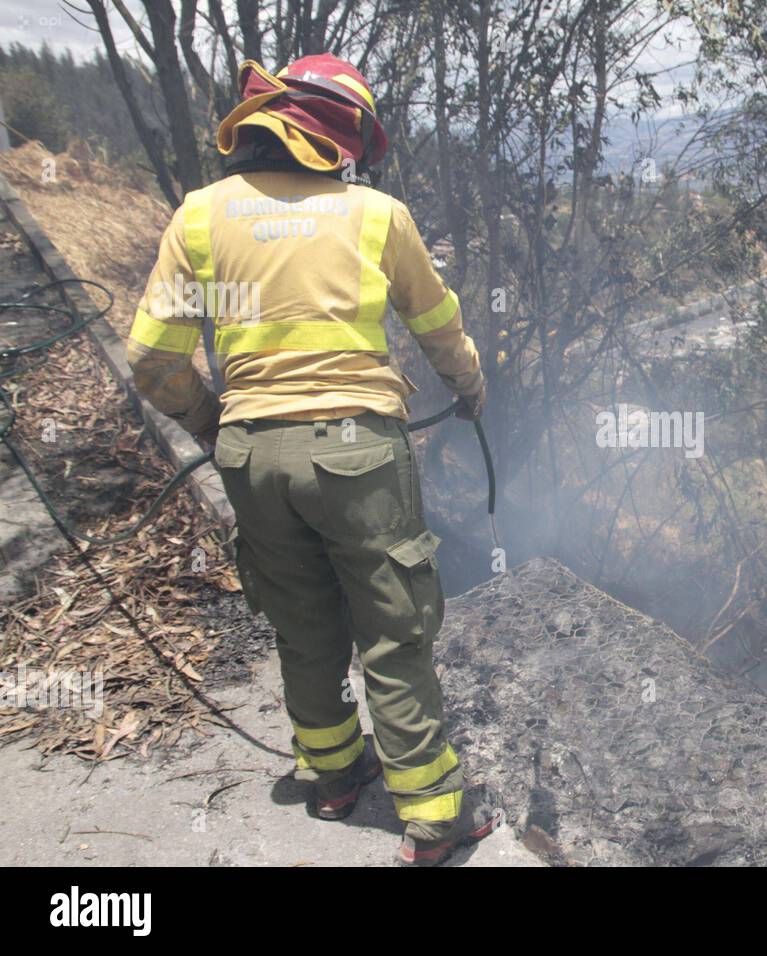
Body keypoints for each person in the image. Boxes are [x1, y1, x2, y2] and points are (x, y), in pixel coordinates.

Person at [126, 54, 492, 866]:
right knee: (394, 632)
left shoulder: (197, 216)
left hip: (251, 453)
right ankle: (433, 816)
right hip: (359, 450)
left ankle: (330, 775)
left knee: (301, 621)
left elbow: (152, 357)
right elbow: (437, 322)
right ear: (339, 137)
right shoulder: (374, 216)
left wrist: (213, 418)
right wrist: (468, 388)